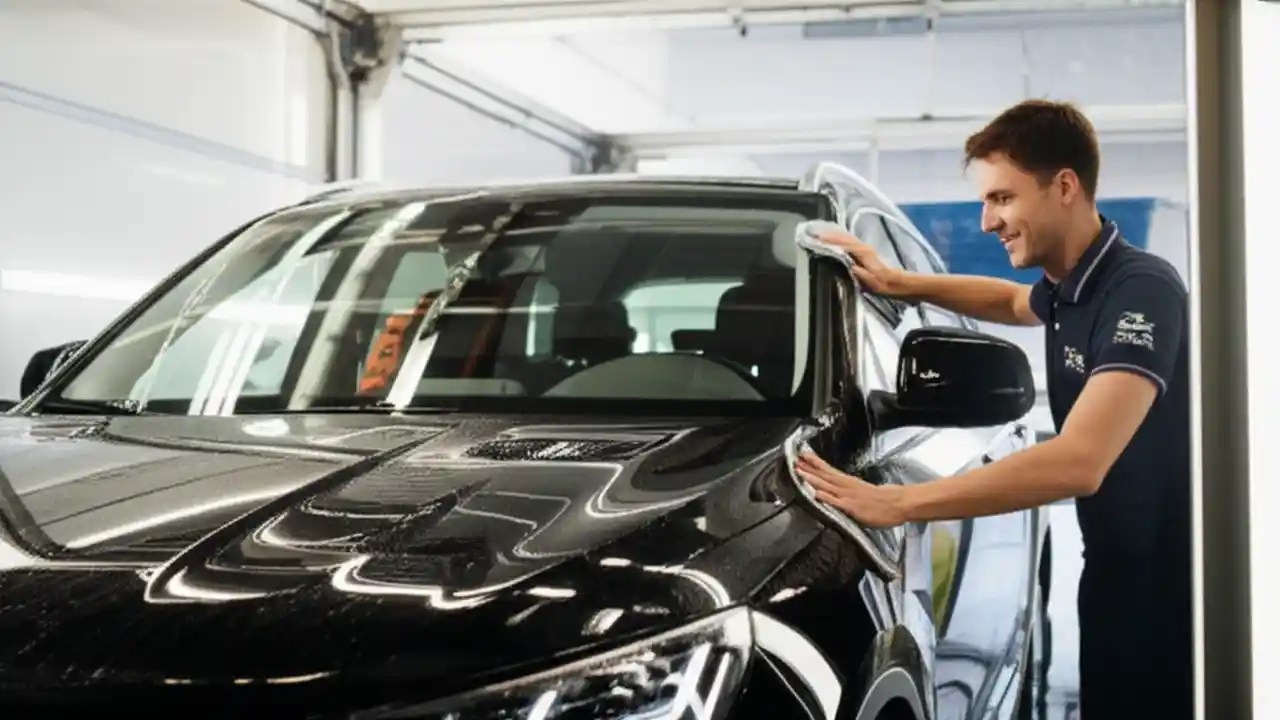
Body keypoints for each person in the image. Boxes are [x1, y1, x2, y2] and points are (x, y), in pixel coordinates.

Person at [794, 99, 1192, 719]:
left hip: (1170, 593)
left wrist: (898, 502)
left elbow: (1080, 462)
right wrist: (899, 283)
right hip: (1114, 576)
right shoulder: (1070, 288)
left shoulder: (1141, 288)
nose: (987, 221)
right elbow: (1011, 303)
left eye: (1002, 198)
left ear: (1064, 186)